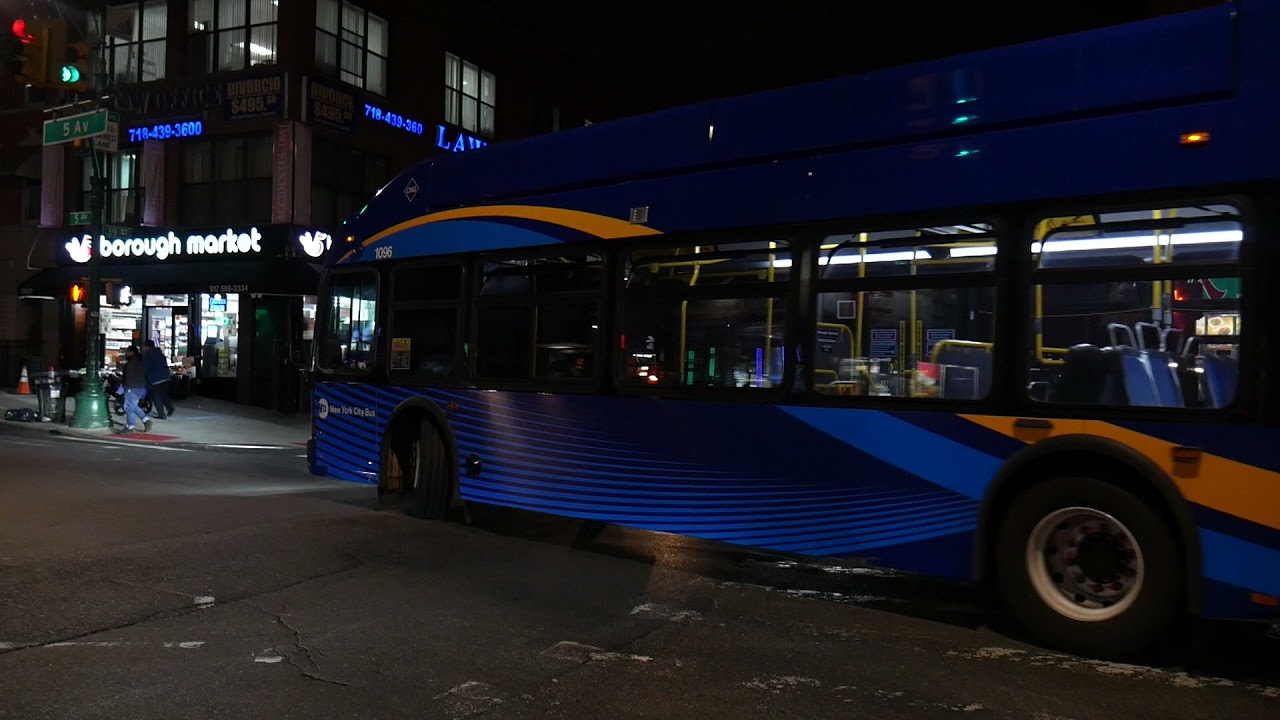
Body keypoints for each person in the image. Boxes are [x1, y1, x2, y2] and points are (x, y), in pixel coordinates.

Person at [119, 345, 152, 434]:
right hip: (141, 387)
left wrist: (124, 387)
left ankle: (130, 426)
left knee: (128, 407)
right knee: (132, 405)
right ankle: (146, 420)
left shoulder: (130, 364)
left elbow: (127, 376)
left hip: (132, 387)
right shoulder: (141, 362)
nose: (126, 353)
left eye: (127, 351)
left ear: (131, 352)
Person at [142, 339, 175, 419]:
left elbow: (145, 368)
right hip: (165, 376)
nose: (142, 348)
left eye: (143, 346)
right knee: (163, 394)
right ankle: (170, 408)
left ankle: (161, 414)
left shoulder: (147, 355)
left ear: (146, 346)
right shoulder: (159, 353)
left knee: (156, 396)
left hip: (155, 378)